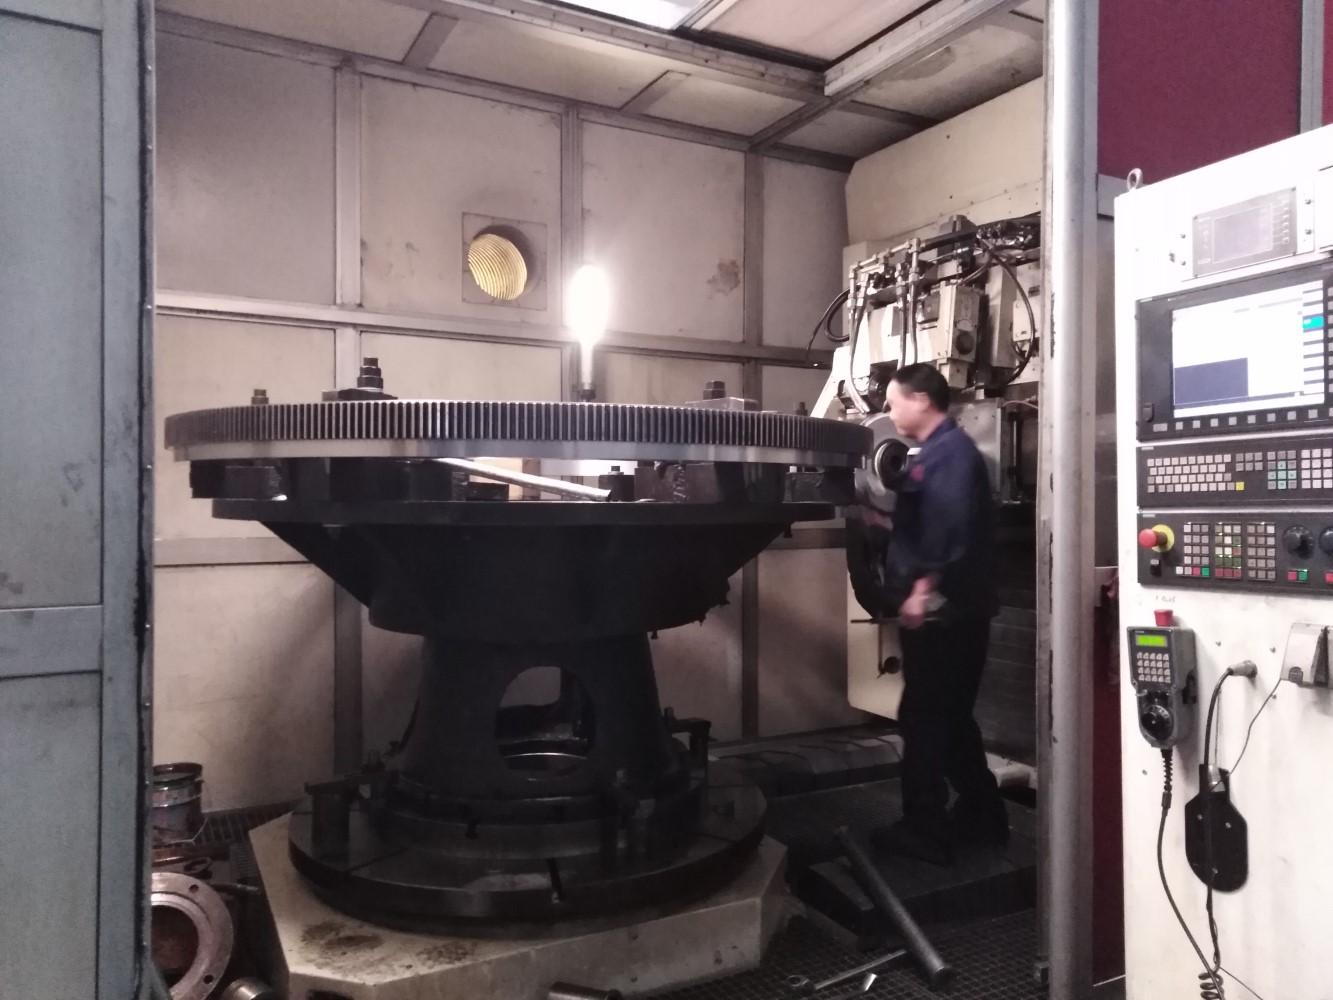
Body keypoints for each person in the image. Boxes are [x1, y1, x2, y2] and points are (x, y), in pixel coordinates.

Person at [873, 363, 1008, 866]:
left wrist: (922, 589)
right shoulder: (935, 454)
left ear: (921, 400)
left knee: (924, 720)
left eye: (893, 403)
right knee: (950, 718)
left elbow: (949, 528)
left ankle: (924, 830)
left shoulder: (950, 454)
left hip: (945, 616)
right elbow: (925, 518)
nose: (890, 413)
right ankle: (984, 816)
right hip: (954, 615)